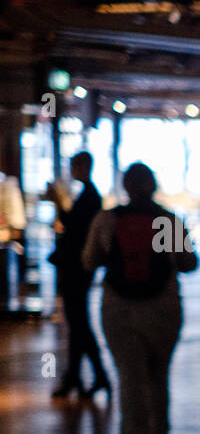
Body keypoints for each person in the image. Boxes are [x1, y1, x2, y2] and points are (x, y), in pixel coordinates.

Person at [83, 162, 197, 434]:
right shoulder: (169, 221)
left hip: (118, 308)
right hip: (164, 308)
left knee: (129, 379)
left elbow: (89, 261)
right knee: (159, 378)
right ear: (154, 185)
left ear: (126, 186)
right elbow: (188, 263)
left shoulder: (107, 219)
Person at [46, 152, 108, 399]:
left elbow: (73, 227)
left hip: (77, 269)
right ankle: (84, 376)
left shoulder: (90, 197)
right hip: (78, 268)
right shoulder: (88, 195)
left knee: (79, 323)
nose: (72, 170)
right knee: (78, 324)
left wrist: (58, 203)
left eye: (74, 166)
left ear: (84, 167)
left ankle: (84, 376)